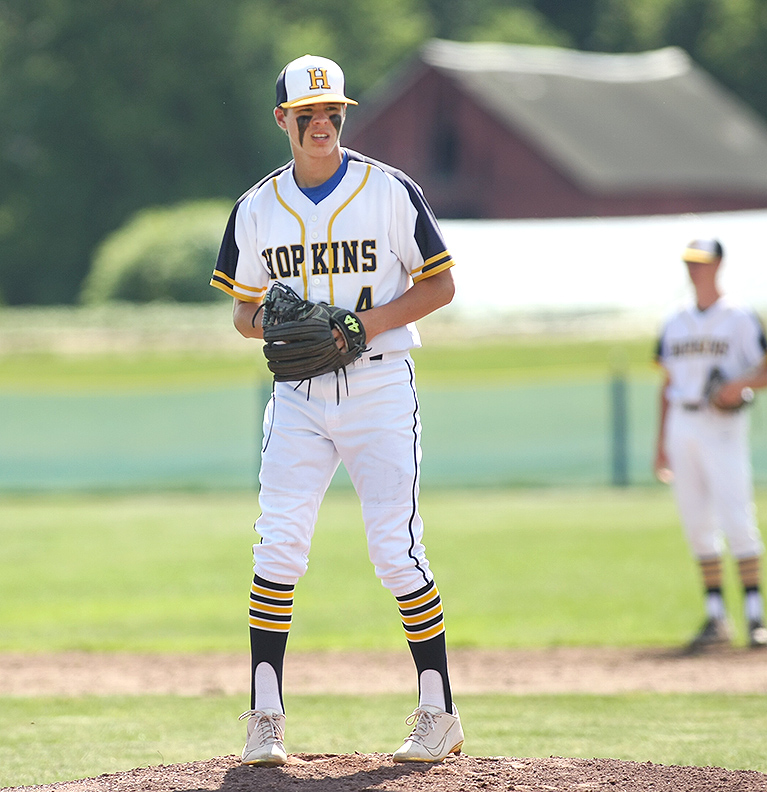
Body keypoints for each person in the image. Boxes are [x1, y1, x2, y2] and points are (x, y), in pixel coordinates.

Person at [209, 54, 463, 766]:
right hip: (298, 396)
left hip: (380, 385)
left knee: (394, 549)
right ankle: (265, 717)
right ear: (282, 120)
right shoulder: (258, 207)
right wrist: (281, 326)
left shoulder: (388, 191)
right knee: (277, 545)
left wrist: (359, 325)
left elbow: (439, 286)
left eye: (333, 114)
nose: (321, 125)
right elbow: (243, 314)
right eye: (307, 115)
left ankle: (438, 711)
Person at [654, 238, 767, 652]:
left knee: (737, 515)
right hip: (683, 421)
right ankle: (717, 617)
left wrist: (739, 385)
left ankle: (756, 617)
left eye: (702, 263)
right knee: (697, 521)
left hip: (721, 424)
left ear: (718, 264)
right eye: (690, 263)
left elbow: (763, 367)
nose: (694, 269)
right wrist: (659, 445)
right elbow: (666, 383)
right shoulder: (675, 320)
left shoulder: (738, 316)